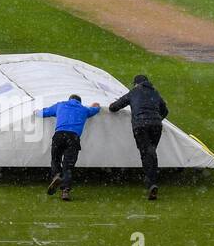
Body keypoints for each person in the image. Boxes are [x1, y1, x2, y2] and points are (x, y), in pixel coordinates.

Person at [109, 73, 169, 201]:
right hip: (156, 126)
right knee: (151, 152)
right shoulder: (155, 93)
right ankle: (152, 182)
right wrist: (157, 119)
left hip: (140, 126)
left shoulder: (134, 92)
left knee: (146, 153)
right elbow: (165, 111)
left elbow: (115, 107)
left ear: (136, 83)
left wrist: (111, 107)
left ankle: (151, 183)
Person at [41, 93, 101, 201]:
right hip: (73, 137)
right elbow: (95, 109)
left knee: (55, 159)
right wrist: (97, 105)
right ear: (80, 101)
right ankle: (65, 191)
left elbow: (45, 112)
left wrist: (36, 112)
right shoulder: (84, 109)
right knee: (68, 166)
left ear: (69, 99)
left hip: (59, 135)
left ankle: (56, 176)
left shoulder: (60, 105)